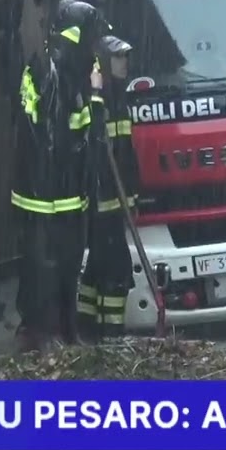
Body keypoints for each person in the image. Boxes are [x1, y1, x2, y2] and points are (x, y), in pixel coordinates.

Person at [10, 0, 98, 352]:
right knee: (41, 266)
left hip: (69, 196)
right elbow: (50, 137)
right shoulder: (46, 71)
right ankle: (37, 333)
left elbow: (82, 134)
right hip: (42, 195)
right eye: (90, 39)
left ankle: (66, 329)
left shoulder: (75, 73)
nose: (94, 48)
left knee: (69, 265)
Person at [80, 33, 138, 340]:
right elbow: (95, 150)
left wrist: (134, 192)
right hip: (103, 201)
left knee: (99, 266)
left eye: (125, 56)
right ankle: (111, 333)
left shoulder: (118, 96)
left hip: (115, 200)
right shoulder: (97, 100)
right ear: (103, 62)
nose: (124, 62)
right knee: (115, 269)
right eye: (118, 57)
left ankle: (90, 328)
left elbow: (125, 152)